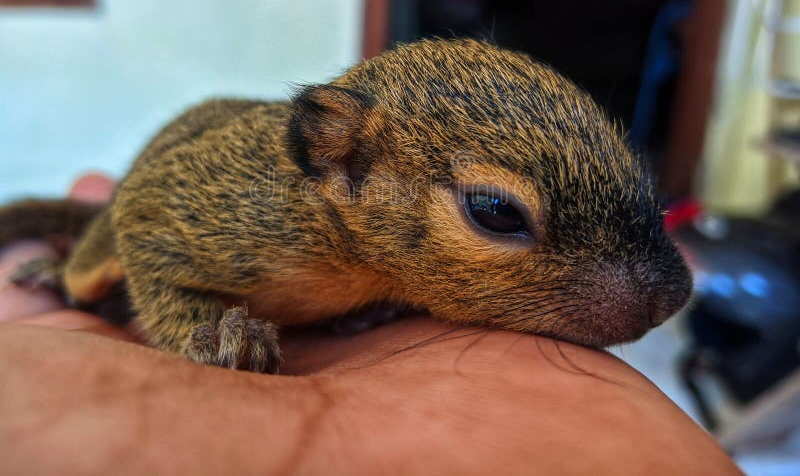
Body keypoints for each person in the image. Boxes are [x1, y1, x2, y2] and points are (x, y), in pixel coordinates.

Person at [0, 175, 740, 474]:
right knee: (95, 251)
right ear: (345, 164)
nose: (665, 300)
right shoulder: (264, 224)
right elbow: (146, 220)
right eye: (497, 214)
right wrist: (196, 322)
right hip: (147, 210)